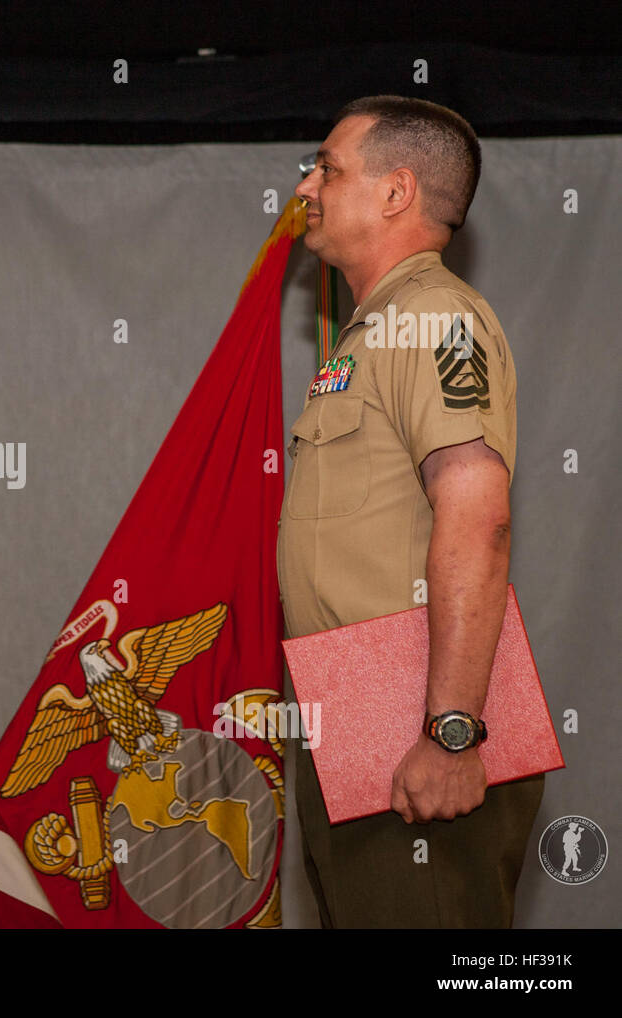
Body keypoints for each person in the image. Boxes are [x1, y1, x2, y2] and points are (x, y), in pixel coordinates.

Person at [280, 95, 544, 928]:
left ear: (395, 193)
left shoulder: (433, 319)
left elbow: (478, 515)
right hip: (358, 702)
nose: (307, 183)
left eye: (328, 166)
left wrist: (453, 731)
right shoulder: (374, 330)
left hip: (412, 707)